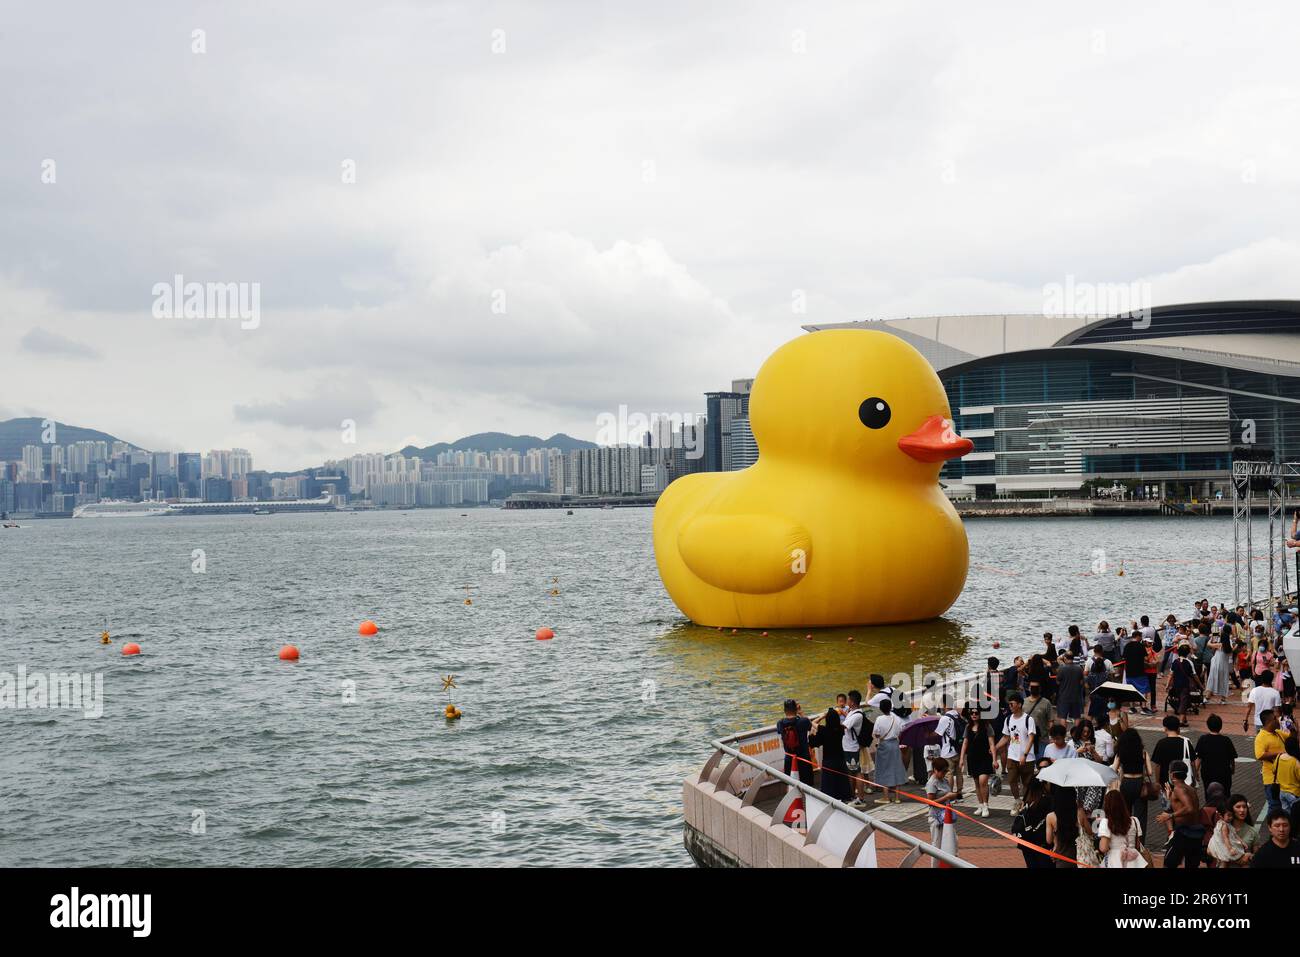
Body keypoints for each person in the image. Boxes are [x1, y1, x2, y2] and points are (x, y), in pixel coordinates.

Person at [1157, 760, 1204, 868]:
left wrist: (1169, 816)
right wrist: (1170, 799)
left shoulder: (1178, 789)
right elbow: (1184, 807)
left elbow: (1189, 808)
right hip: (1196, 833)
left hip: (1184, 833)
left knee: (1169, 863)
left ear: (1172, 774)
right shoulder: (1190, 789)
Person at [997, 693, 1037, 814]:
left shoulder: (1028, 719)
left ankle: (1025, 804)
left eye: (1012, 704)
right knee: (1012, 780)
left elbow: (1031, 738)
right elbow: (1006, 737)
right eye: (1009, 704)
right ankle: (1017, 801)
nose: (1010, 706)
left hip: (1027, 757)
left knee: (1026, 783)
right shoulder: (1008, 719)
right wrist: (995, 747)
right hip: (1012, 756)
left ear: (1019, 704)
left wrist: (1024, 754)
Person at [1114, 727, 1153, 840]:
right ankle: (1139, 842)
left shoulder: (1120, 753)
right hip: (1139, 783)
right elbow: (1150, 772)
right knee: (1140, 815)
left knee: (1125, 813)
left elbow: (1114, 769)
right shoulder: (1143, 753)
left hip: (1125, 783)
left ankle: (1125, 838)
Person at [958, 706, 996, 817]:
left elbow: (992, 744)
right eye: (972, 713)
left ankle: (985, 805)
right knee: (977, 783)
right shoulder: (968, 727)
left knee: (983, 781)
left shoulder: (987, 726)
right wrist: (961, 759)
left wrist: (994, 759)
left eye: (976, 713)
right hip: (972, 758)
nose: (974, 715)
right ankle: (980, 804)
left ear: (980, 714)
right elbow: (965, 743)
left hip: (984, 757)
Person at [808, 708, 852, 801]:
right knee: (842, 781)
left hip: (829, 761)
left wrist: (822, 716)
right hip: (840, 760)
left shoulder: (824, 730)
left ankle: (831, 800)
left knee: (829, 784)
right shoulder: (840, 729)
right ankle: (845, 797)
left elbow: (812, 722)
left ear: (827, 719)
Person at [1254, 708, 1291, 816]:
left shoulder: (1278, 733)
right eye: (1275, 718)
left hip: (1284, 778)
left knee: (1285, 806)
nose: (1278, 720)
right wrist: (1280, 753)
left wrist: (1293, 729)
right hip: (1272, 779)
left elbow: (1292, 741)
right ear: (1269, 721)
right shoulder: (1261, 737)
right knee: (1274, 806)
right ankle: (1273, 828)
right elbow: (1259, 755)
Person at [870, 698, 907, 803]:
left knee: (883, 769)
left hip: (884, 745)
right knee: (897, 768)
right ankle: (897, 797)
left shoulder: (879, 719)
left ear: (881, 708)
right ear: (891, 707)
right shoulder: (897, 718)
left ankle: (886, 797)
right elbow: (901, 731)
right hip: (895, 744)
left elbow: (876, 734)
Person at [1098, 788, 1146, 868]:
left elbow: (1103, 848)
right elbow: (1137, 845)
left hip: (1114, 861)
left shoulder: (1106, 822)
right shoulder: (1134, 820)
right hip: (1134, 861)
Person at [1012, 778, 1053, 868]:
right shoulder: (1048, 801)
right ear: (1044, 785)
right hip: (1041, 845)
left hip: (1026, 843)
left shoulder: (1028, 802)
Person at [1195, 713, 1238, 796]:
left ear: (1208, 726)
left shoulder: (1203, 739)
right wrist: (1232, 769)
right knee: (1225, 793)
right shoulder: (1226, 740)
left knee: (1209, 793)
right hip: (1224, 772)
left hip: (1208, 772)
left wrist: (1196, 771)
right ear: (1221, 726)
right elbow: (1232, 758)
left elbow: (1199, 758)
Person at [1151, 715, 1197, 790]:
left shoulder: (1161, 743)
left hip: (1166, 783)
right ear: (1178, 728)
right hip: (1183, 782)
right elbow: (1192, 763)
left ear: (1165, 728)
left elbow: (1157, 765)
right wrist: (1194, 777)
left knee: (1167, 800)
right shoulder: (1186, 742)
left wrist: (1157, 781)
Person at [925, 757, 958, 860]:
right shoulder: (932, 783)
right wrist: (946, 797)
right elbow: (931, 802)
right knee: (937, 846)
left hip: (946, 817)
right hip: (936, 818)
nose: (944, 774)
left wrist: (953, 796)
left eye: (946, 771)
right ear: (935, 770)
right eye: (943, 771)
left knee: (954, 842)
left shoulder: (944, 780)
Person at [1208, 796, 1256, 867]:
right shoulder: (1222, 827)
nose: (1242, 810)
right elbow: (1210, 851)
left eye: (1244, 807)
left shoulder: (1252, 831)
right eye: (1238, 807)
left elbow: (1256, 856)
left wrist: (1249, 857)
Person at [777, 699, 814, 785]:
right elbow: (810, 726)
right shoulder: (803, 721)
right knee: (807, 785)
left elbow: (780, 731)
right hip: (803, 758)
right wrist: (800, 713)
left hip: (789, 759)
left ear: (784, 710)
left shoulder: (780, 723)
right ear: (796, 709)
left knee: (790, 785)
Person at [935, 697, 965, 797]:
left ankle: (950, 794)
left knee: (949, 773)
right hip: (959, 749)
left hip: (948, 751)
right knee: (959, 772)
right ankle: (959, 793)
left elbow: (938, 734)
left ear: (944, 705)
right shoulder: (958, 715)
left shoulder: (944, 718)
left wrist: (927, 734)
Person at [1168, 644, 1201, 725]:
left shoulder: (1175, 662)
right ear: (1188, 653)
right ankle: (1181, 721)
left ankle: (1184, 720)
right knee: (1184, 701)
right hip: (1185, 685)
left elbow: (1171, 675)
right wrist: (1200, 685)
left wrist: (1167, 685)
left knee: (1182, 700)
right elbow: (1194, 675)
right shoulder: (1189, 663)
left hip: (1176, 685)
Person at [1122, 630, 1152, 715]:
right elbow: (1146, 658)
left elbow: (1124, 658)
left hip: (1129, 671)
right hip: (1139, 671)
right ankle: (1143, 707)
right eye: (1141, 637)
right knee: (1144, 689)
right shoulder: (1141, 646)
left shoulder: (1127, 645)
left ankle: (1132, 708)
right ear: (1138, 636)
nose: (1141, 638)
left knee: (1131, 689)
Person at [1023, 683, 1053, 760]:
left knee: (1041, 762)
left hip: (1042, 739)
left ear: (1040, 689)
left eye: (1036, 687)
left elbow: (1050, 720)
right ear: (1029, 688)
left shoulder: (1046, 703)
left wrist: (1051, 736)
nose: (1034, 689)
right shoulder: (1023, 702)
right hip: (1026, 738)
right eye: (1032, 687)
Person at [1055, 651, 1084, 721]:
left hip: (1064, 696)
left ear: (1065, 658)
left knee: (1063, 717)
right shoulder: (1079, 668)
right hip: (1075, 696)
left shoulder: (1061, 669)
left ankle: (1063, 732)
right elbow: (1081, 682)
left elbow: (1058, 682)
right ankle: (1077, 731)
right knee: (1077, 716)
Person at [1206, 631, 1233, 704]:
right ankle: (1223, 699)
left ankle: (1207, 697)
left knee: (1212, 680)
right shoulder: (1229, 647)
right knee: (1224, 681)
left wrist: (1211, 638)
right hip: (1224, 666)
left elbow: (1208, 644)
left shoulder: (1220, 645)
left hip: (1216, 665)